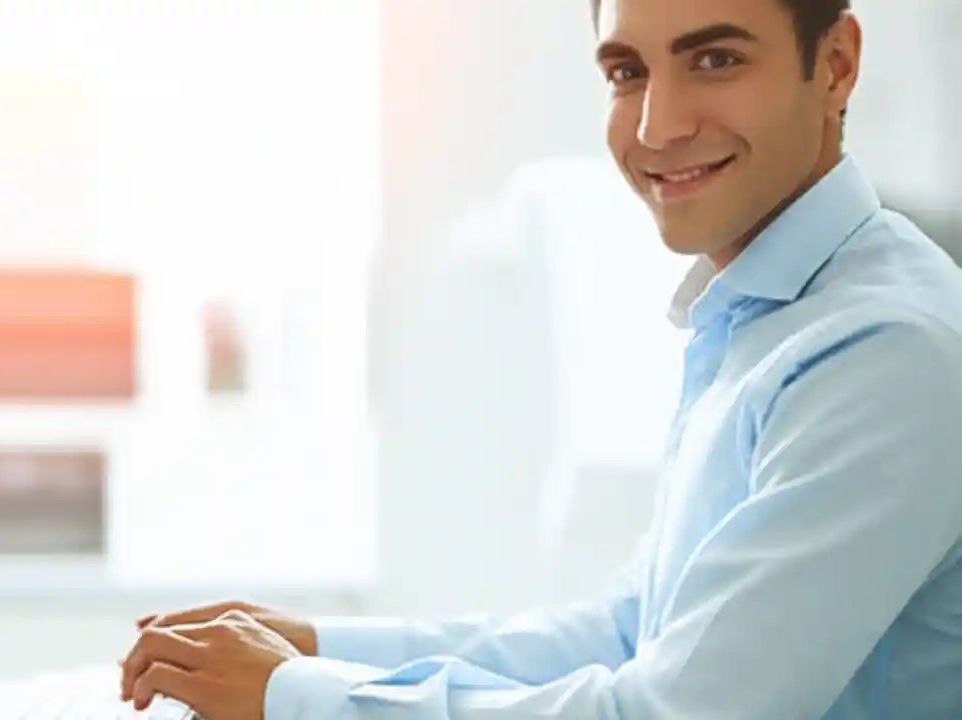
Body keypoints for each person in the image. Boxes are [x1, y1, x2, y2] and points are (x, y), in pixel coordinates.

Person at [119, 0, 962, 717]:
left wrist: (299, 694)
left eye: (714, 59)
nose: (656, 127)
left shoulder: (881, 351)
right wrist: (311, 646)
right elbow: (628, 631)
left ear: (837, 64)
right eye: (628, 72)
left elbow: (674, 712)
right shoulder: (763, 320)